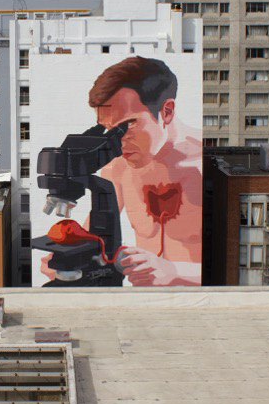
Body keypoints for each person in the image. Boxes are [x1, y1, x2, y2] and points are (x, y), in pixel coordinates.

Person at [87, 56, 203, 286]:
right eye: (109, 130)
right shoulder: (118, 168)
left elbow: (231, 264)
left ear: (166, 112)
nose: (117, 141)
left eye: (127, 125)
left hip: (199, 308)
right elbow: (92, 236)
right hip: (143, 307)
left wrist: (174, 271)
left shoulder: (205, 165)